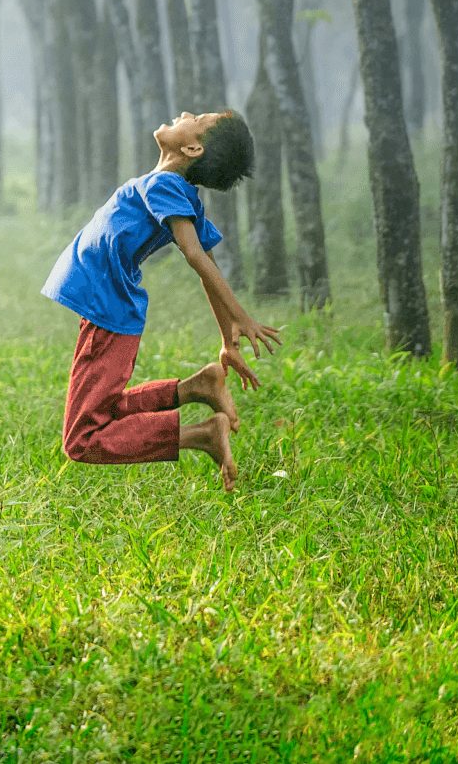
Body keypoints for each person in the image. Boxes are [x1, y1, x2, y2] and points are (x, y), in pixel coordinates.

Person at [40, 110, 281, 491]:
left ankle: (201, 435)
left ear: (192, 147)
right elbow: (207, 264)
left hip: (108, 311)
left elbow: (197, 256)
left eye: (198, 118)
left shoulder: (167, 185)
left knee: (82, 438)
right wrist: (226, 338)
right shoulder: (174, 189)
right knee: (102, 411)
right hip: (108, 308)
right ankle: (196, 388)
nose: (186, 113)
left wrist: (240, 317)